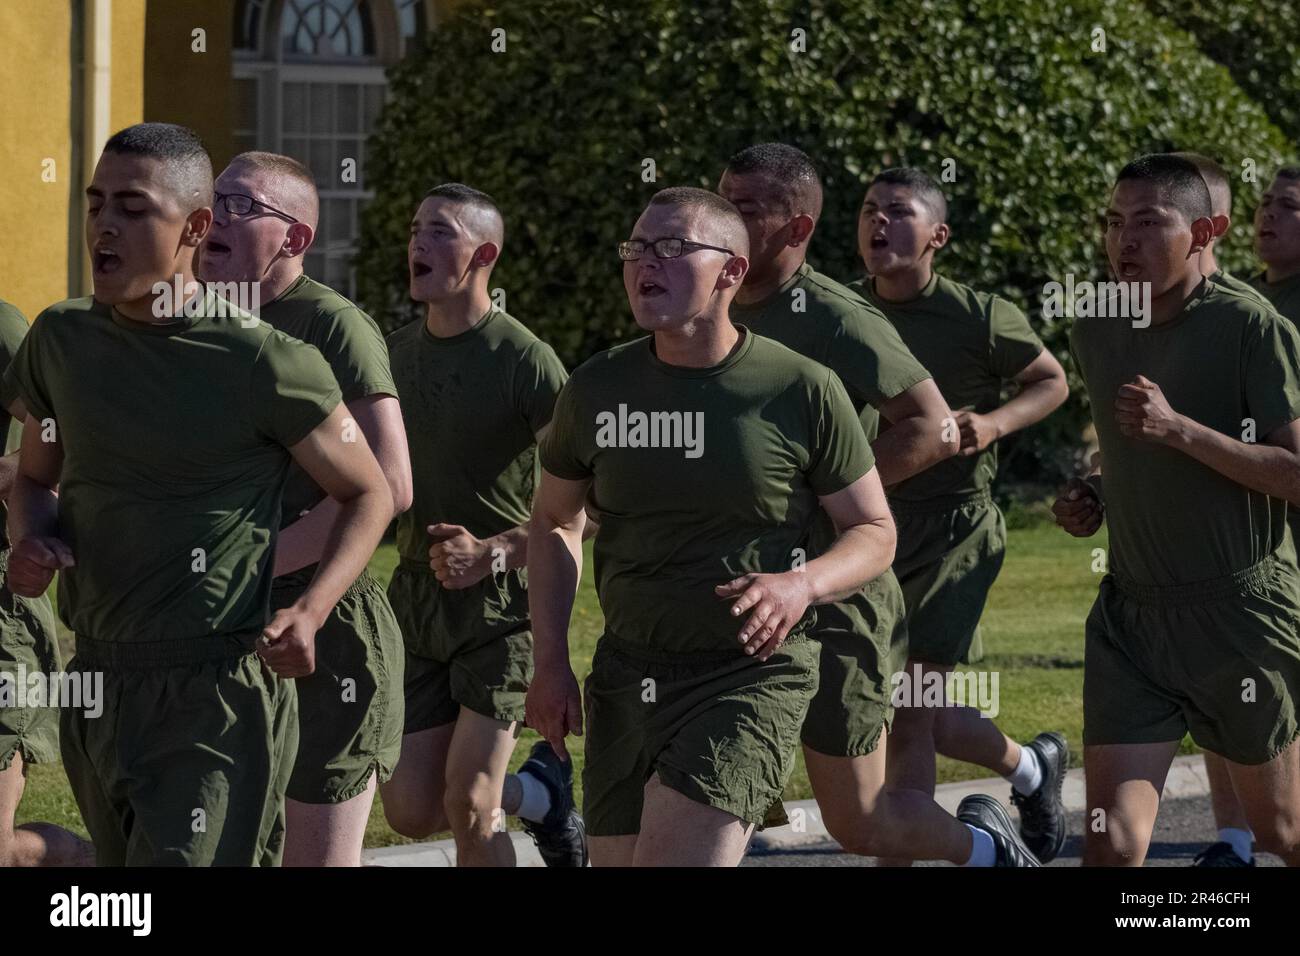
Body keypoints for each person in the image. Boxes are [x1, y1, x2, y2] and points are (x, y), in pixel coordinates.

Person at [527, 186, 1035, 867]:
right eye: (638, 248)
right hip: (629, 670)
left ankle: (976, 844)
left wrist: (801, 585)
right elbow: (556, 519)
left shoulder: (801, 387)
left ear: (731, 272)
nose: (647, 263)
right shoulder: (595, 389)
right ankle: (988, 852)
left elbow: (874, 531)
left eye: (674, 248)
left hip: (750, 671)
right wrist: (551, 660)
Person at [3, 123, 393, 866]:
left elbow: (369, 490)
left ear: (196, 228)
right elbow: (33, 477)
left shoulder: (268, 361)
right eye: (95, 204)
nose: (104, 225)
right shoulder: (60, 341)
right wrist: (33, 538)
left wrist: (311, 610)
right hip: (97, 680)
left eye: (132, 207)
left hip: (213, 691)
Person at [1056, 153, 1300, 867]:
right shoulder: (1096, 326)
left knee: (1282, 834)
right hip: (1132, 620)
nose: (1123, 241)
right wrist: (1097, 491)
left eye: (1147, 223)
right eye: (1112, 223)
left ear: (1205, 230)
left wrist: (1181, 430)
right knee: (1110, 842)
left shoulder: (1251, 327)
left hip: (1241, 616)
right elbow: (1125, 448)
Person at [852, 167, 1071, 863]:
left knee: (909, 709)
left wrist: (997, 424)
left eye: (898, 210)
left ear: (938, 235)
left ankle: (905, 854)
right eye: (867, 210)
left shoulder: (979, 314)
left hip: (953, 532)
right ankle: (1032, 768)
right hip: (863, 527)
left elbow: (1051, 380)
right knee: (902, 707)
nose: (878, 222)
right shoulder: (840, 312)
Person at [199, 150, 412, 867]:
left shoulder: (331, 326)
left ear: (293, 239)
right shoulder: (196, 320)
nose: (216, 217)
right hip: (223, 621)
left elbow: (391, 483)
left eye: (242, 206)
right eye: (213, 200)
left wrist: (255, 563)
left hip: (324, 622)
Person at [381, 184, 586, 867]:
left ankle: (523, 797)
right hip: (413, 601)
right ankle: (547, 796)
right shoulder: (393, 353)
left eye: (439, 231)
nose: (418, 243)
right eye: (415, 229)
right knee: (410, 810)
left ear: (483, 254)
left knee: (472, 802)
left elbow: (584, 511)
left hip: (500, 609)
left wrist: (494, 553)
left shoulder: (525, 360)